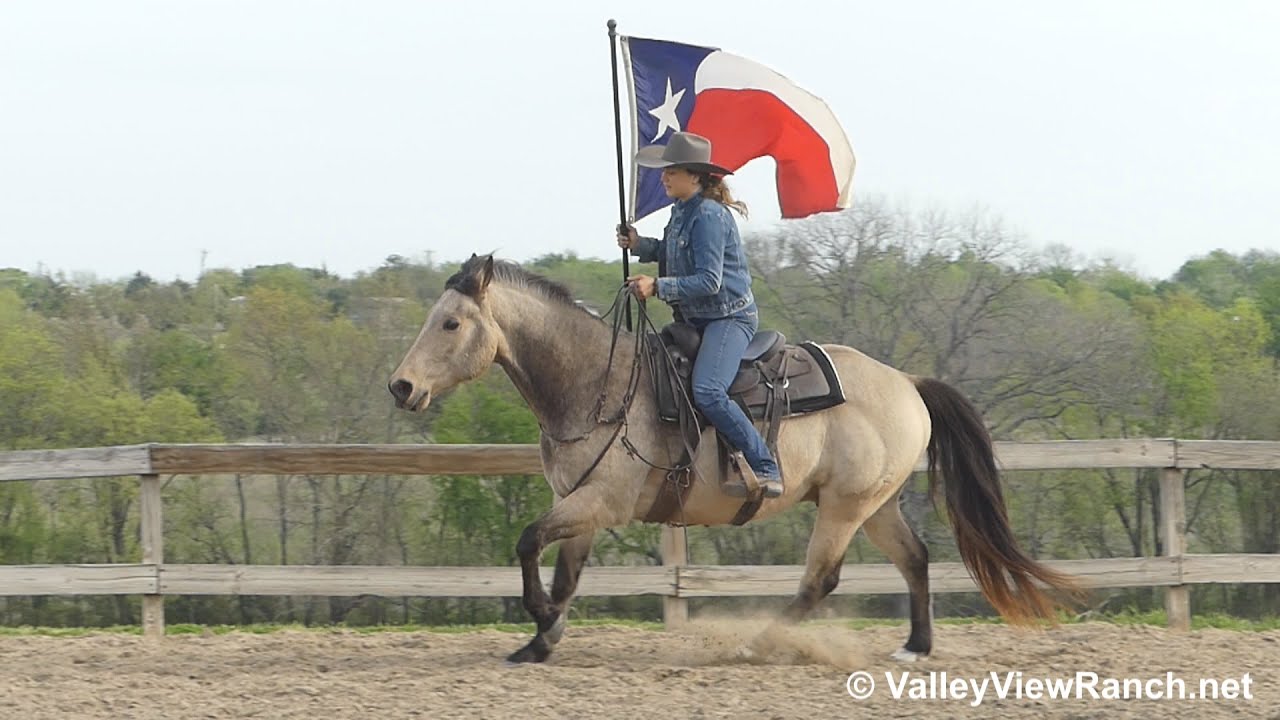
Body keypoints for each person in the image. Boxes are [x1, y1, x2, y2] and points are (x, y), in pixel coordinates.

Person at [616, 131, 783, 498]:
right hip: (694, 320)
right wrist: (640, 244)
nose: (663, 177)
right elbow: (674, 253)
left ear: (694, 175)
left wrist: (658, 288)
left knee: (707, 391)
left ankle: (765, 464)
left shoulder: (709, 215)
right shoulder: (681, 212)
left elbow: (709, 280)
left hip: (728, 319)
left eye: (670, 171)